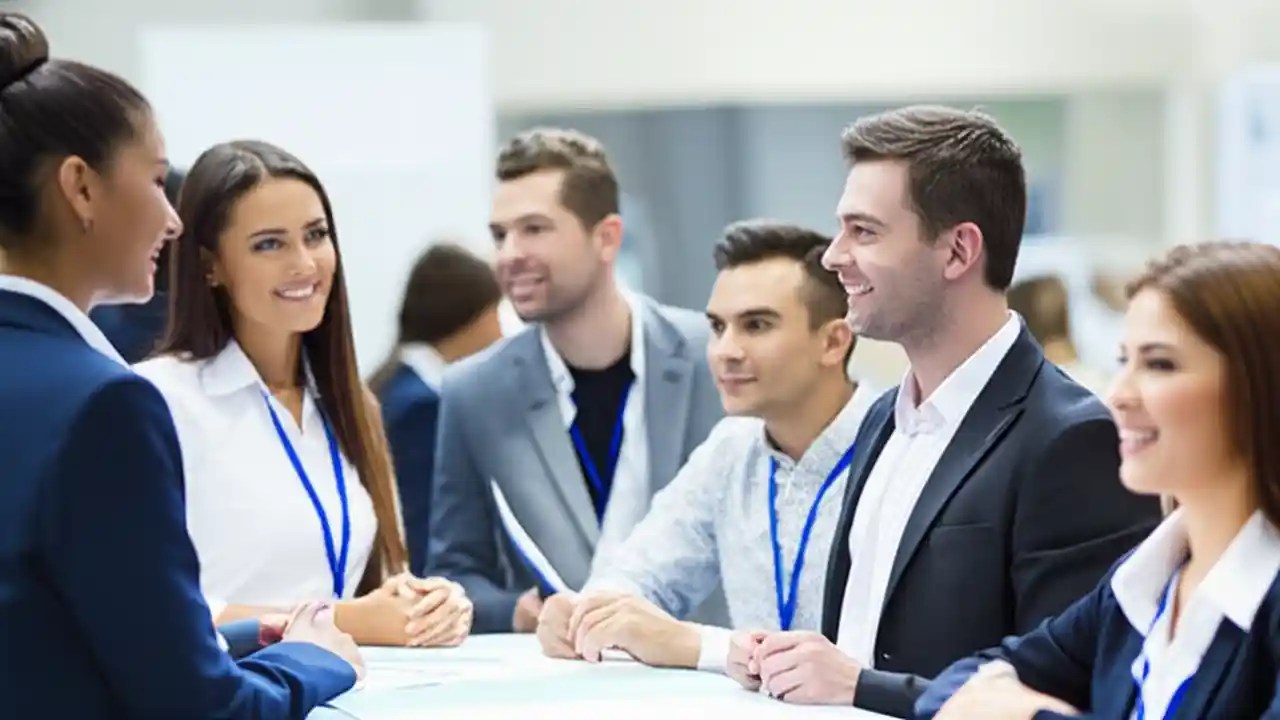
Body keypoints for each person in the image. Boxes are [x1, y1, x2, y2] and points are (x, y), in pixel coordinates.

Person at [0, 13, 360, 717]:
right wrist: (318, 661)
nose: (172, 219)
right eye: (157, 180)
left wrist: (239, 637)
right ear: (81, 188)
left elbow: (49, 629)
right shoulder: (105, 403)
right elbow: (199, 708)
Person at [747, 105, 1161, 716]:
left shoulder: (1072, 439)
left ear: (958, 251)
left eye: (864, 232)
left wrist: (859, 686)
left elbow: (1069, 691)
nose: (833, 256)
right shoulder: (882, 418)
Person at [918, 241, 1280, 719]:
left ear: (1261, 384)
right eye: (1124, 361)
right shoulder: (1141, 580)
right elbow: (957, 685)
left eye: (1159, 364)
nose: (1118, 395)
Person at [135, 140, 472, 648]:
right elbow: (154, 608)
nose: (305, 263)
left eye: (316, 236)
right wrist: (348, 621)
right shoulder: (157, 398)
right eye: (269, 244)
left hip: (360, 685)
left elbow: (384, 581)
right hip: (227, 687)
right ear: (210, 266)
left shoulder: (353, 404)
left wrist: (430, 606)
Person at [534, 220, 875, 675]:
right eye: (717, 327)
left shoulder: (897, 446)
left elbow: (891, 665)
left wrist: (695, 645)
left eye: (756, 325)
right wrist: (584, 614)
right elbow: (636, 575)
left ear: (833, 342)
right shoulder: (731, 449)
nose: (724, 351)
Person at [427, 127, 724, 634]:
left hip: (706, 667)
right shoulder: (473, 391)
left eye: (534, 229)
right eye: (500, 235)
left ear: (606, 237)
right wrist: (516, 611)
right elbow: (456, 571)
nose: (509, 254)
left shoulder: (714, 357)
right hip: (558, 672)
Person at [368, 242, 504, 575]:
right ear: (469, 316)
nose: (501, 332)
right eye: (496, 313)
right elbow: (424, 529)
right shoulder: (422, 408)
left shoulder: (391, 386)